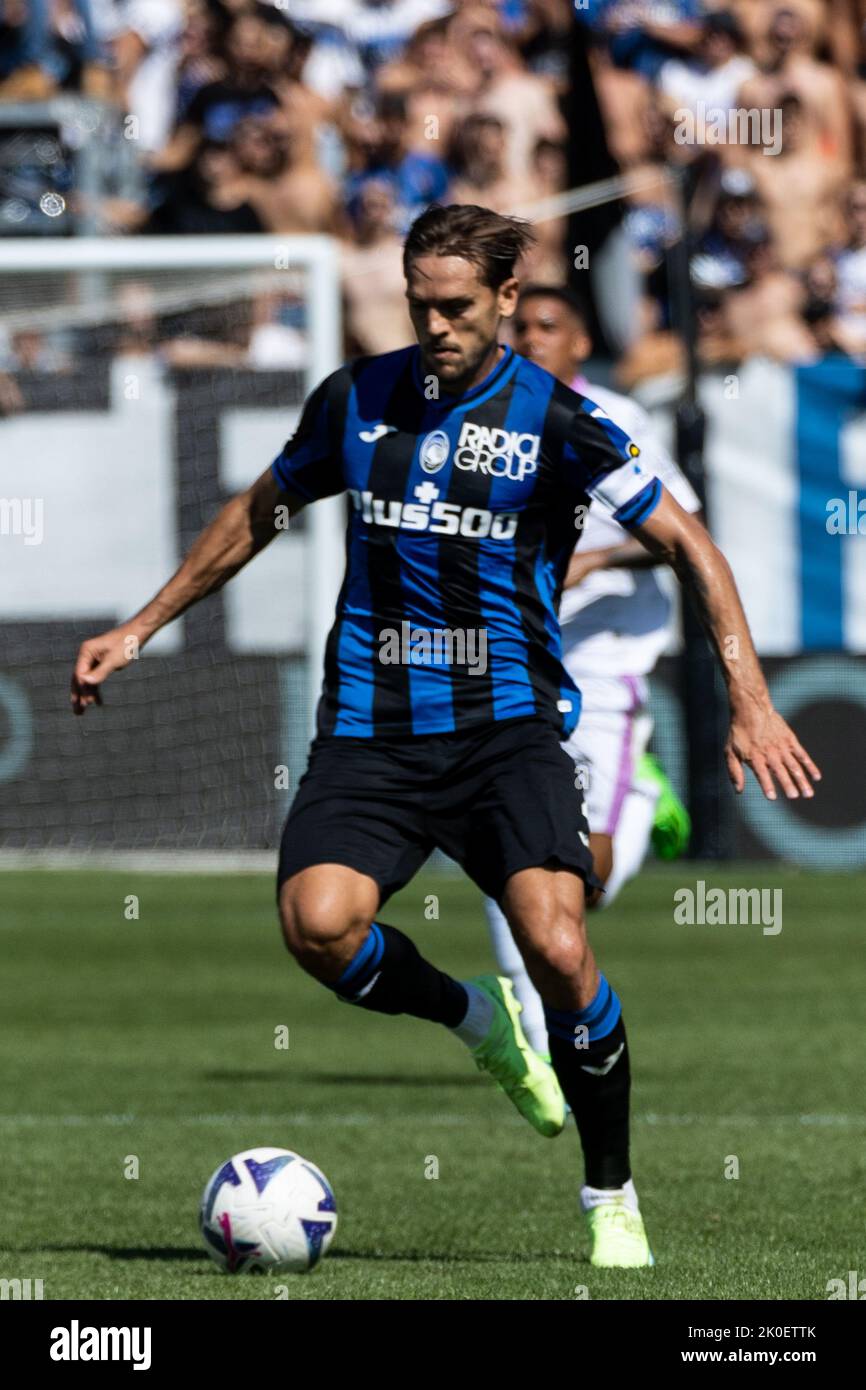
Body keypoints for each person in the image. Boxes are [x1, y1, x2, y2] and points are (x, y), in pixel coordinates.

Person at [70, 204, 820, 1270]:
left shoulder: (558, 421)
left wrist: (746, 696)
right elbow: (257, 511)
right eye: (420, 303)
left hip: (504, 730)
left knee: (561, 947)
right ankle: (477, 1020)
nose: (434, 325)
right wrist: (139, 628)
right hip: (371, 733)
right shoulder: (357, 398)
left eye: (456, 306)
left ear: (507, 299)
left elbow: (688, 541)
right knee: (315, 926)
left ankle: (609, 1193)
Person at [484, 284, 698, 1058]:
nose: (533, 338)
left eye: (550, 326)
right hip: (513, 667)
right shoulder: (485, 420)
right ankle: (540, 1041)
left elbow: (685, 528)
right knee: (512, 855)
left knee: (582, 883)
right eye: (522, 327)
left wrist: (597, 556)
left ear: (580, 344)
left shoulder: (617, 420)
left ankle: (641, 796)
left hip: (604, 665)